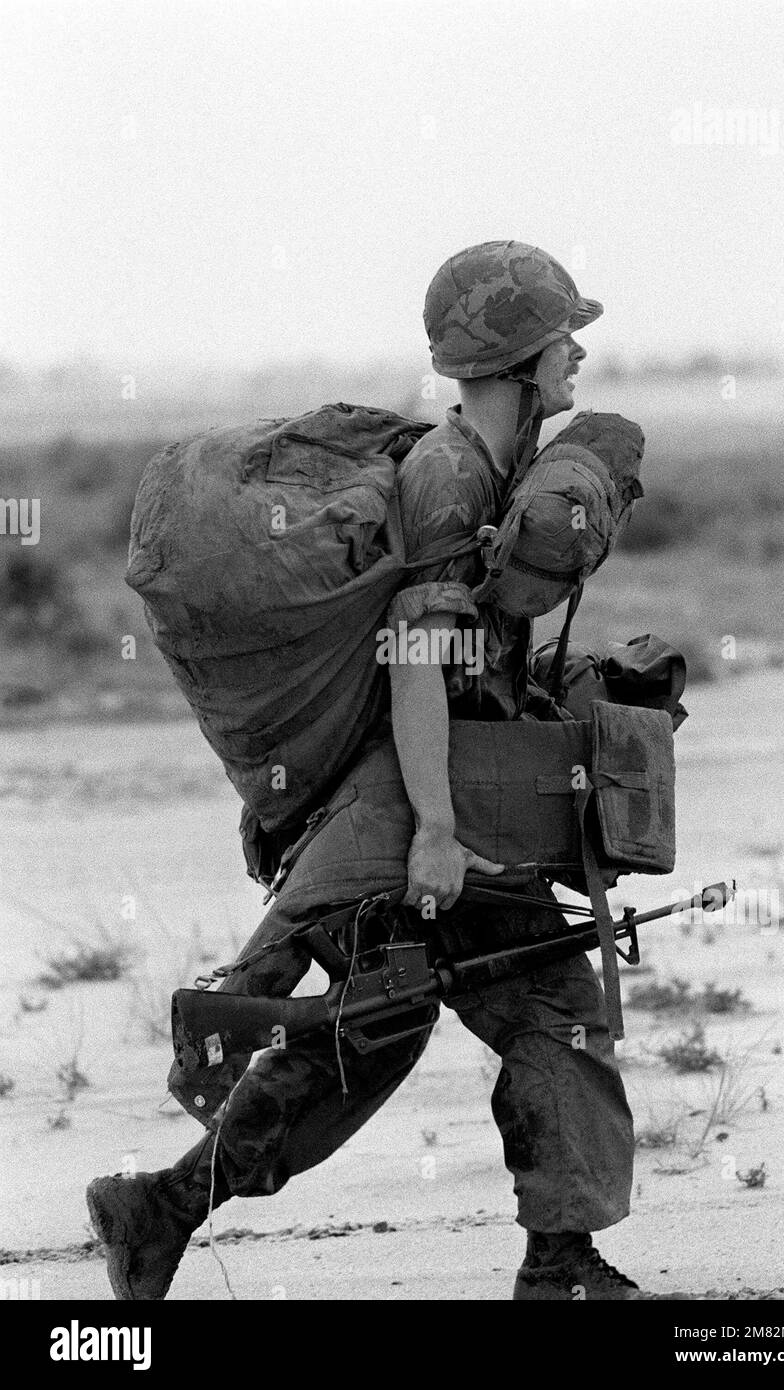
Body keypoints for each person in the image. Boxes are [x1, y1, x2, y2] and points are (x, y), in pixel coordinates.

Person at [87, 241, 674, 1301]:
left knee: (390, 1035)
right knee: (521, 1015)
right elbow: (415, 657)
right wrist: (439, 833)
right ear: (518, 357)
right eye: (560, 338)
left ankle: (161, 1210)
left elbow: (465, 655)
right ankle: (557, 1265)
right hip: (412, 823)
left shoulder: (488, 469)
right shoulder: (448, 478)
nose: (576, 353)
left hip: (426, 813)